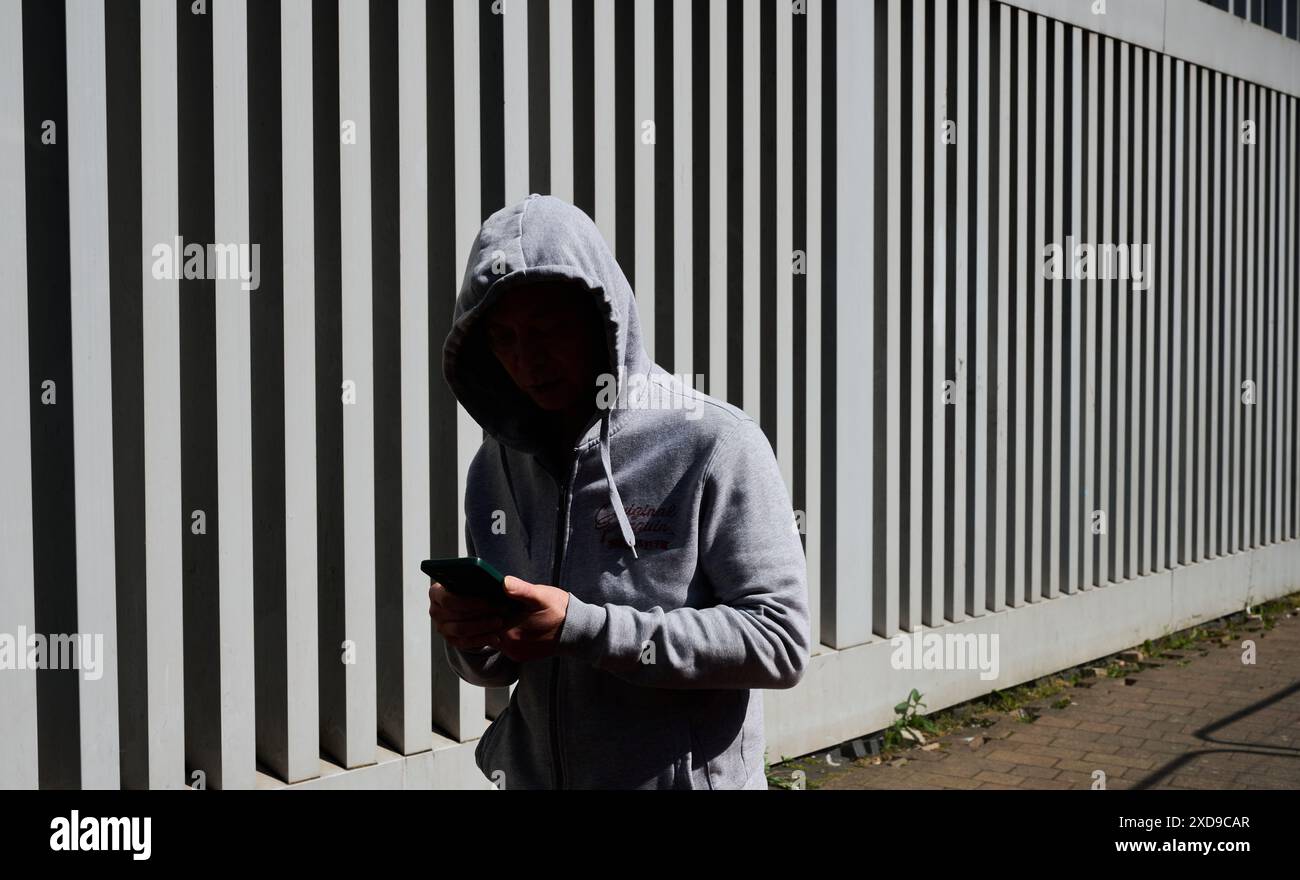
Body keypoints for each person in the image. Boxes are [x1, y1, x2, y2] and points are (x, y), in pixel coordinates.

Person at [430, 192, 810, 790]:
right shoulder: (494, 468)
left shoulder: (713, 443)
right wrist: (468, 634)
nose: (527, 359)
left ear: (599, 312)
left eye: (546, 328)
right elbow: (499, 668)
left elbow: (779, 643)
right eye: (503, 338)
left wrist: (583, 628)